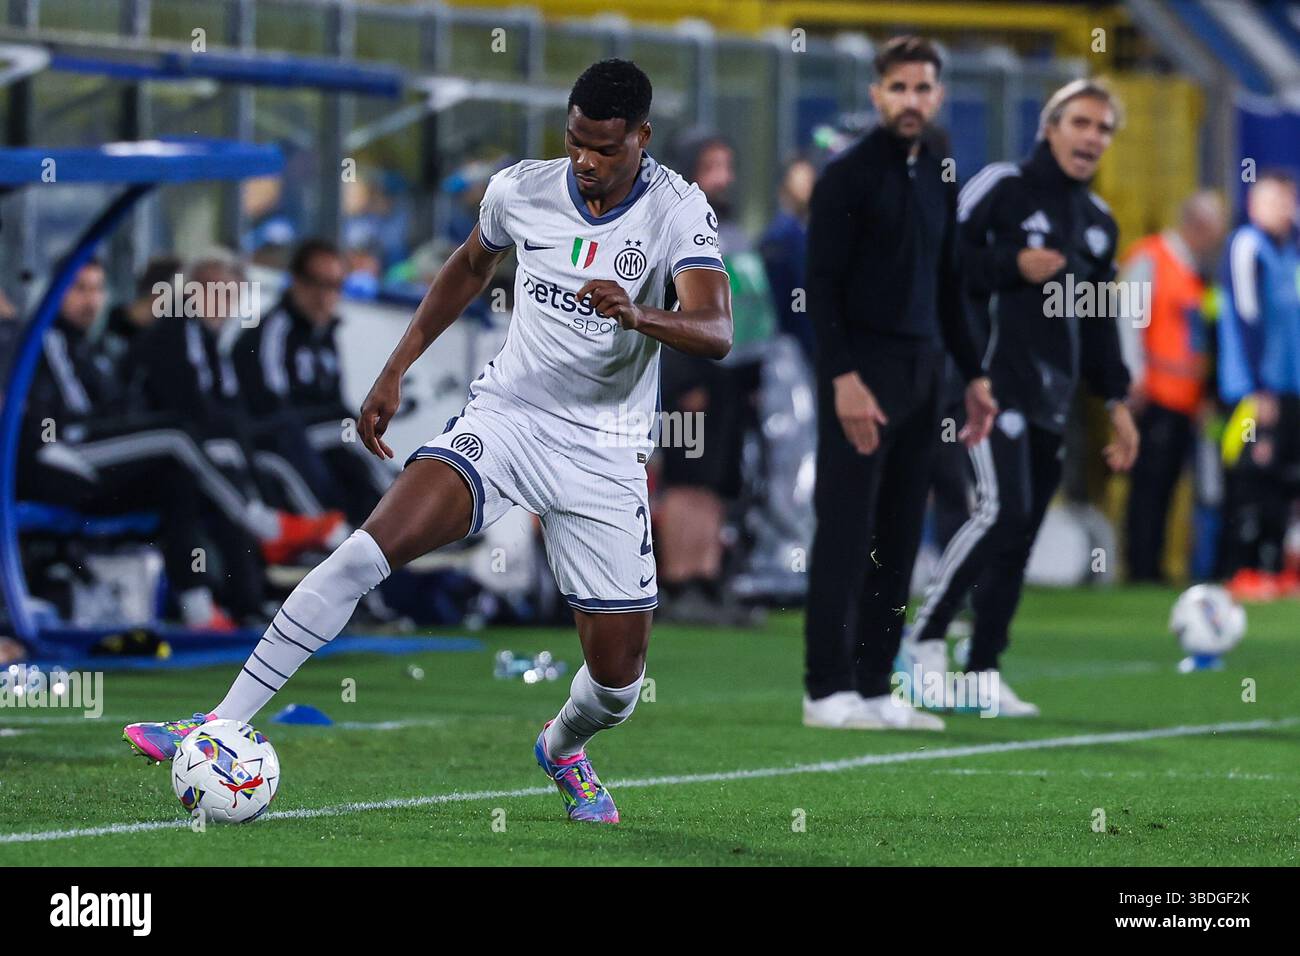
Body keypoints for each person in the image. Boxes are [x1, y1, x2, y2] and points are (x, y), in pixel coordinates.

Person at [123, 58, 733, 825]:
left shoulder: (679, 211)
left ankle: (564, 746)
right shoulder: (523, 189)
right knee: (362, 552)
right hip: (508, 418)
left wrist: (642, 315)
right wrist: (394, 367)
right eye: (576, 140)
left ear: (641, 138)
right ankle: (215, 722)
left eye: (606, 148)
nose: (585, 160)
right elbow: (470, 265)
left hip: (604, 453)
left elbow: (716, 329)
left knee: (616, 685)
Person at [900, 79, 1140, 716]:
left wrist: (1116, 404)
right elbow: (943, 266)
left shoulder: (1098, 225)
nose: (1092, 137)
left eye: (1103, 128)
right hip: (986, 383)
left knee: (1023, 529)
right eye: (1081, 123)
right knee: (1002, 511)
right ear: (1050, 127)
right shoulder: (1002, 186)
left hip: (1049, 397)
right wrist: (1011, 264)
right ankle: (921, 638)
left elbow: (1097, 321)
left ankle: (982, 670)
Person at [802, 36, 997, 731]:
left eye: (923, 88)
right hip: (863, 371)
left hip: (925, 372)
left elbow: (949, 284)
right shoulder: (846, 177)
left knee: (901, 537)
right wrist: (844, 379)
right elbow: (818, 290)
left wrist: (974, 375)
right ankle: (826, 689)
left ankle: (876, 685)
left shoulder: (939, 168)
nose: (911, 100)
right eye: (898, 88)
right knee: (846, 533)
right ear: (877, 94)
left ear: (938, 96)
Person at [16, 262, 323, 628]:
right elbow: (64, 420)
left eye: (97, 289)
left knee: (178, 477)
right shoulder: (40, 337)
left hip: (91, 452)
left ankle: (203, 607)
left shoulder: (87, 347)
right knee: (176, 434)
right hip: (57, 455)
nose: (91, 300)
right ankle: (266, 527)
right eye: (79, 289)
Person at [233, 238, 390, 527]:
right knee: (350, 432)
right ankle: (396, 517)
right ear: (295, 283)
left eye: (334, 286)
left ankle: (388, 520)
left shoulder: (325, 334)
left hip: (316, 434)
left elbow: (334, 398)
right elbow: (272, 403)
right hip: (273, 435)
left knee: (355, 436)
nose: (325, 296)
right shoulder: (274, 330)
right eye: (317, 284)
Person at [1119, 192, 1226, 583]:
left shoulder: (1197, 271)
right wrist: (1133, 377)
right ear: (1195, 225)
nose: (1214, 239)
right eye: (1212, 230)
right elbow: (1127, 318)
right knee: (1147, 484)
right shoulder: (1150, 257)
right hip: (1155, 395)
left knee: (1168, 485)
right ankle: (1139, 568)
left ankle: (1157, 565)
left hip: (1185, 398)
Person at [1217, 170, 1300, 600]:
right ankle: (1241, 568)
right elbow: (1248, 315)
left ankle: (1275, 568)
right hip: (1251, 390)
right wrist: (1259, 387)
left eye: (1284, 200)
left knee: (1286, 479)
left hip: (1293, 387)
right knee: (1251, 474)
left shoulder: (1294, 250)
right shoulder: (1247, 245)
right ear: (1253, 205)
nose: (1277, 209)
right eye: (1268, 201)